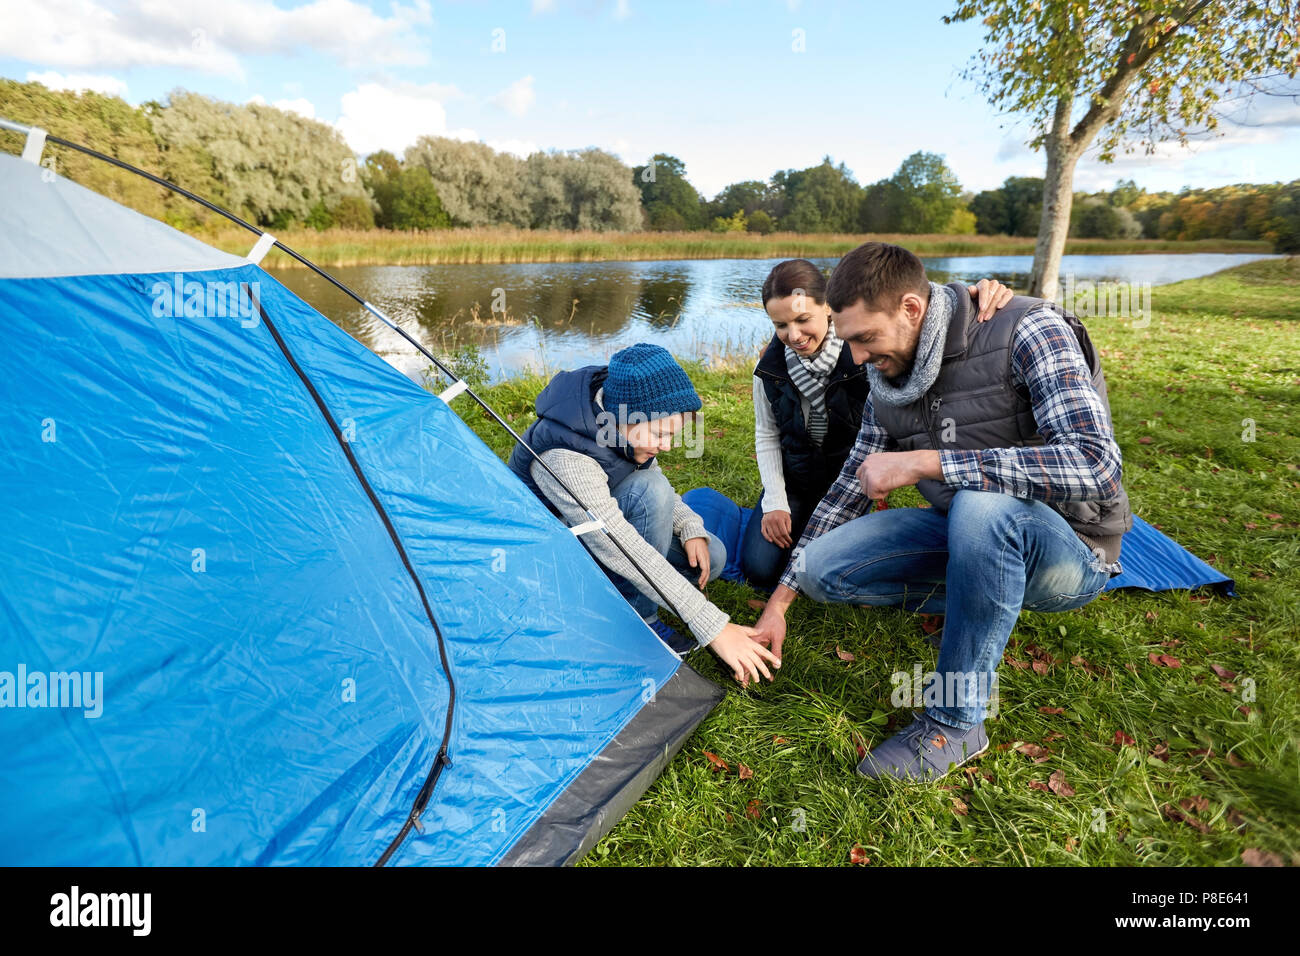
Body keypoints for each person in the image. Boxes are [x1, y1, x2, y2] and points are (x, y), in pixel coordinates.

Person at [749, 242, 1132, 780]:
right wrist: (780, 603)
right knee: (822, 568)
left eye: (864, 339)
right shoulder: (885, 380)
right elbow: (845, 493)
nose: (856, 358)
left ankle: (958, 722)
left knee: (981, 508)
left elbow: (1095, 465)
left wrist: (928, 462)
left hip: (1072, 548)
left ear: (911, 308)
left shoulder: (1028, 329)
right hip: (965, 530)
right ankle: (979, 599)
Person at [507, 343, 780, 686]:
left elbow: (655, 478)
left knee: (713, 555)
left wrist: (690, 526)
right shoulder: (566, 458)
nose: (666, 446)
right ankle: (640, 619)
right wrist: (713, 626)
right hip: (555, 559)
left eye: (672, 434)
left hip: (603, 533)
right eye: (661, 435)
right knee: (648, 491)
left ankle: (640, 596)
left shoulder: (621, 426)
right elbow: (620, 545)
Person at [742, 259, 1014, 588]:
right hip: (796, 479)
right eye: (780, 325)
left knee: (829, 562)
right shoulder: (769, 370)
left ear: (828, 306)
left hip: (852, 482)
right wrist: (775, 502)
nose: (793, 335)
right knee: (758, 568)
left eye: (802, 319)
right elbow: (767, 434)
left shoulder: (868, 352)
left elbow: (906, 293)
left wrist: (976, 293)